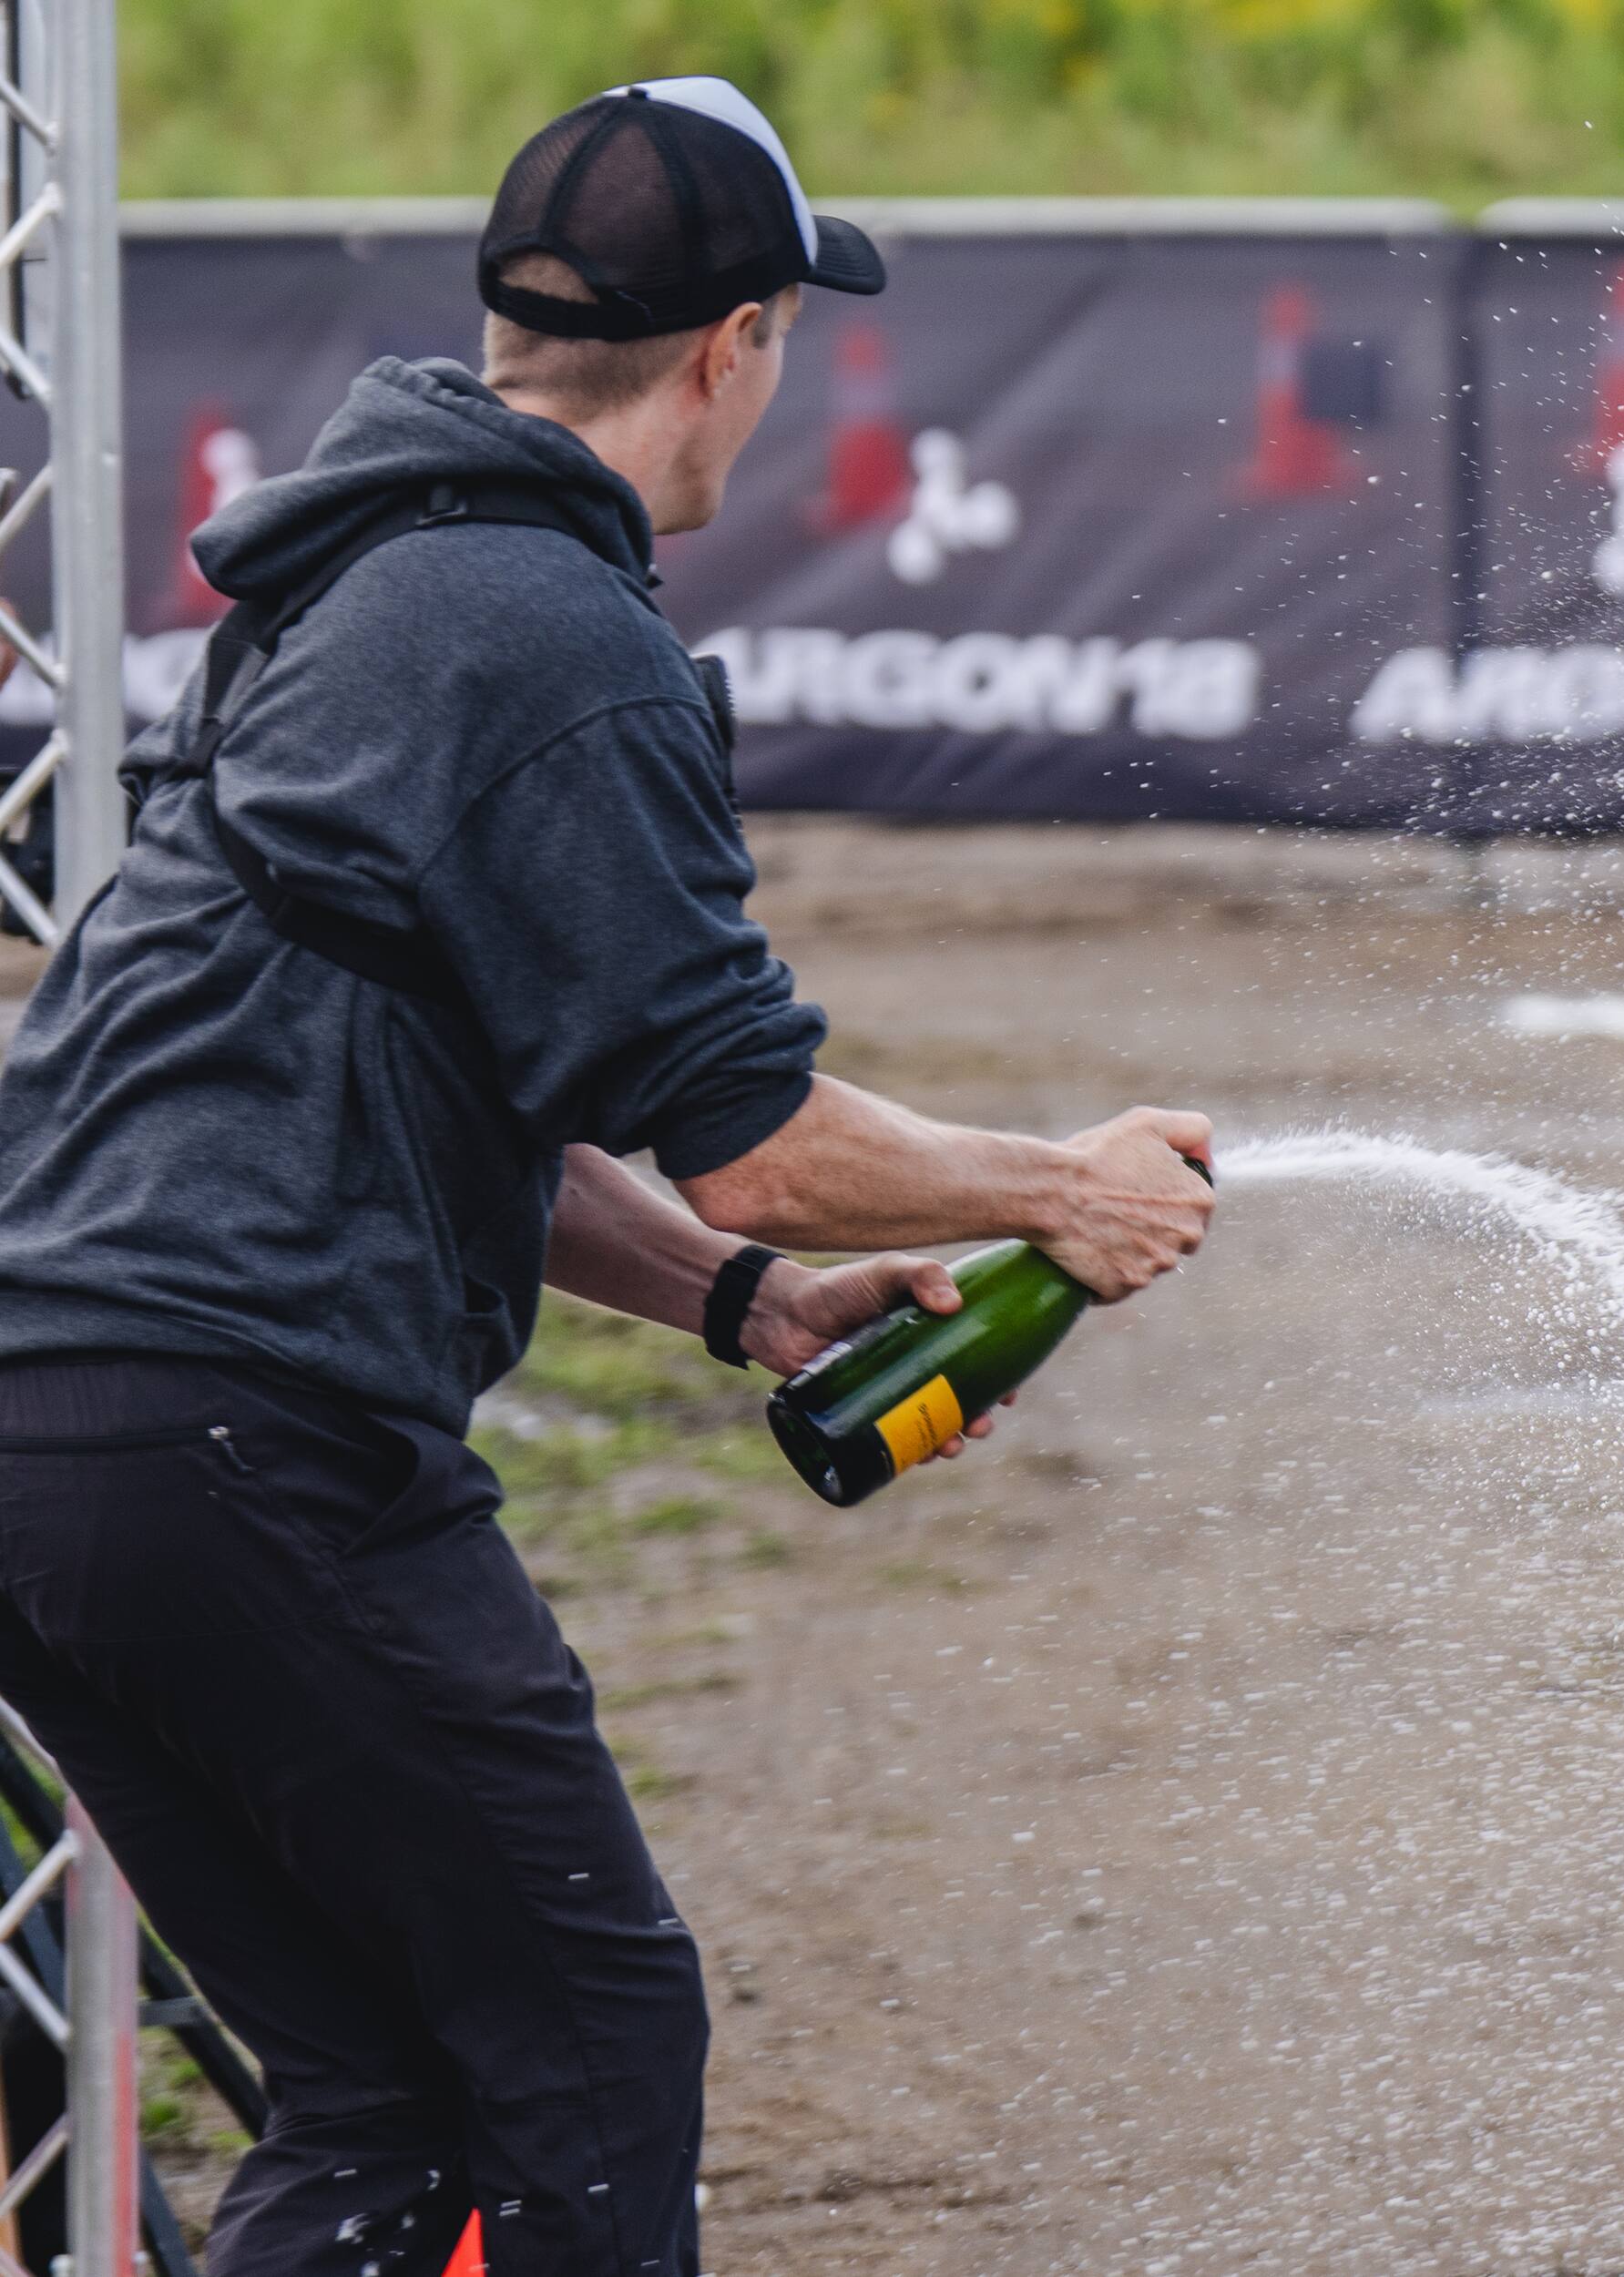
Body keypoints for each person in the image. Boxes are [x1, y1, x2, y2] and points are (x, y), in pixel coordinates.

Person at [0, 81, 1216, 2277]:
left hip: (53, 1432)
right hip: (246, 1426)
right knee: (588, 2037)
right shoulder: (555, 633)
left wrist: (744, 1311)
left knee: (385, 2097)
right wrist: (1058, 1191)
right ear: (737, 343)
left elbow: (460, 1087)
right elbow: (752, 1134)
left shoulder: (352, 567)